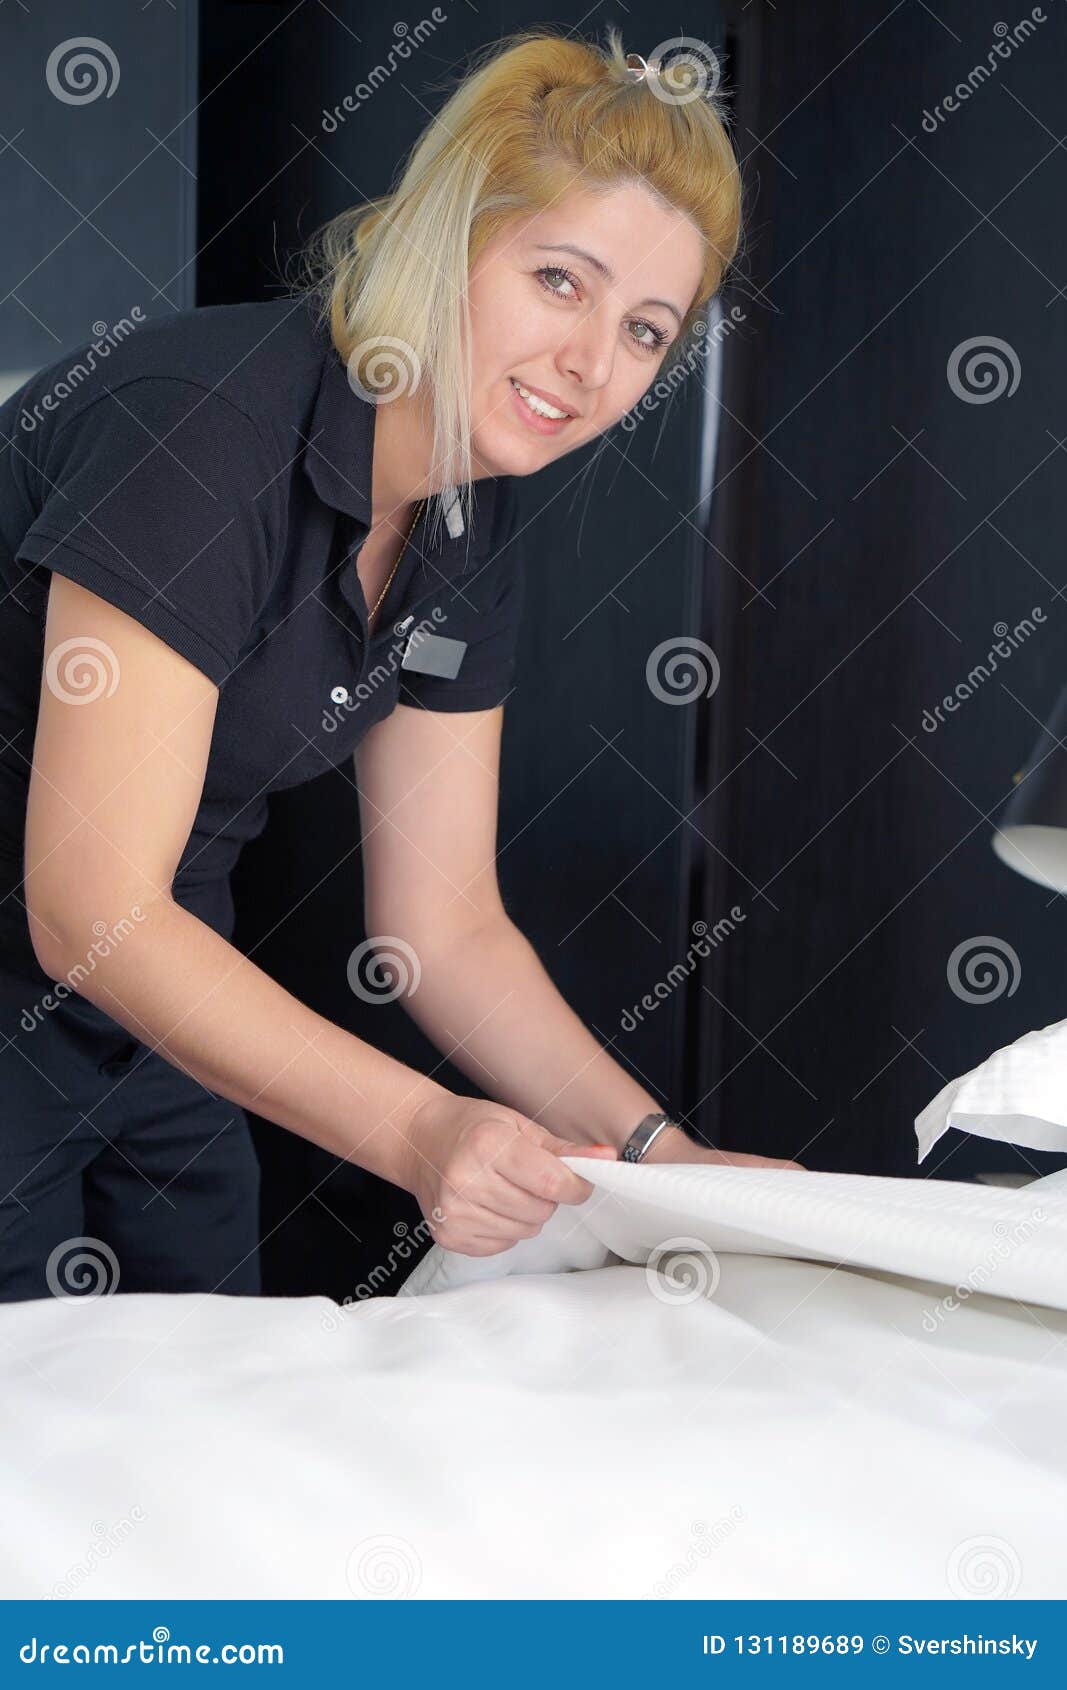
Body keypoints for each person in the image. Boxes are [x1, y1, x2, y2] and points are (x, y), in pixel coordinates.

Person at [0, 26, 802, 1305]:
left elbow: (444, 930)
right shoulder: (200, 432)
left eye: (648, 330)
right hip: (85, 954)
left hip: (161, 1008)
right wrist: (421, 1132)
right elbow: (89, 908)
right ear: (447, 236)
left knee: (205, 1432)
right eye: (559, 280)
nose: (592, 364)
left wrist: (670, 1162)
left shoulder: (465, 512)